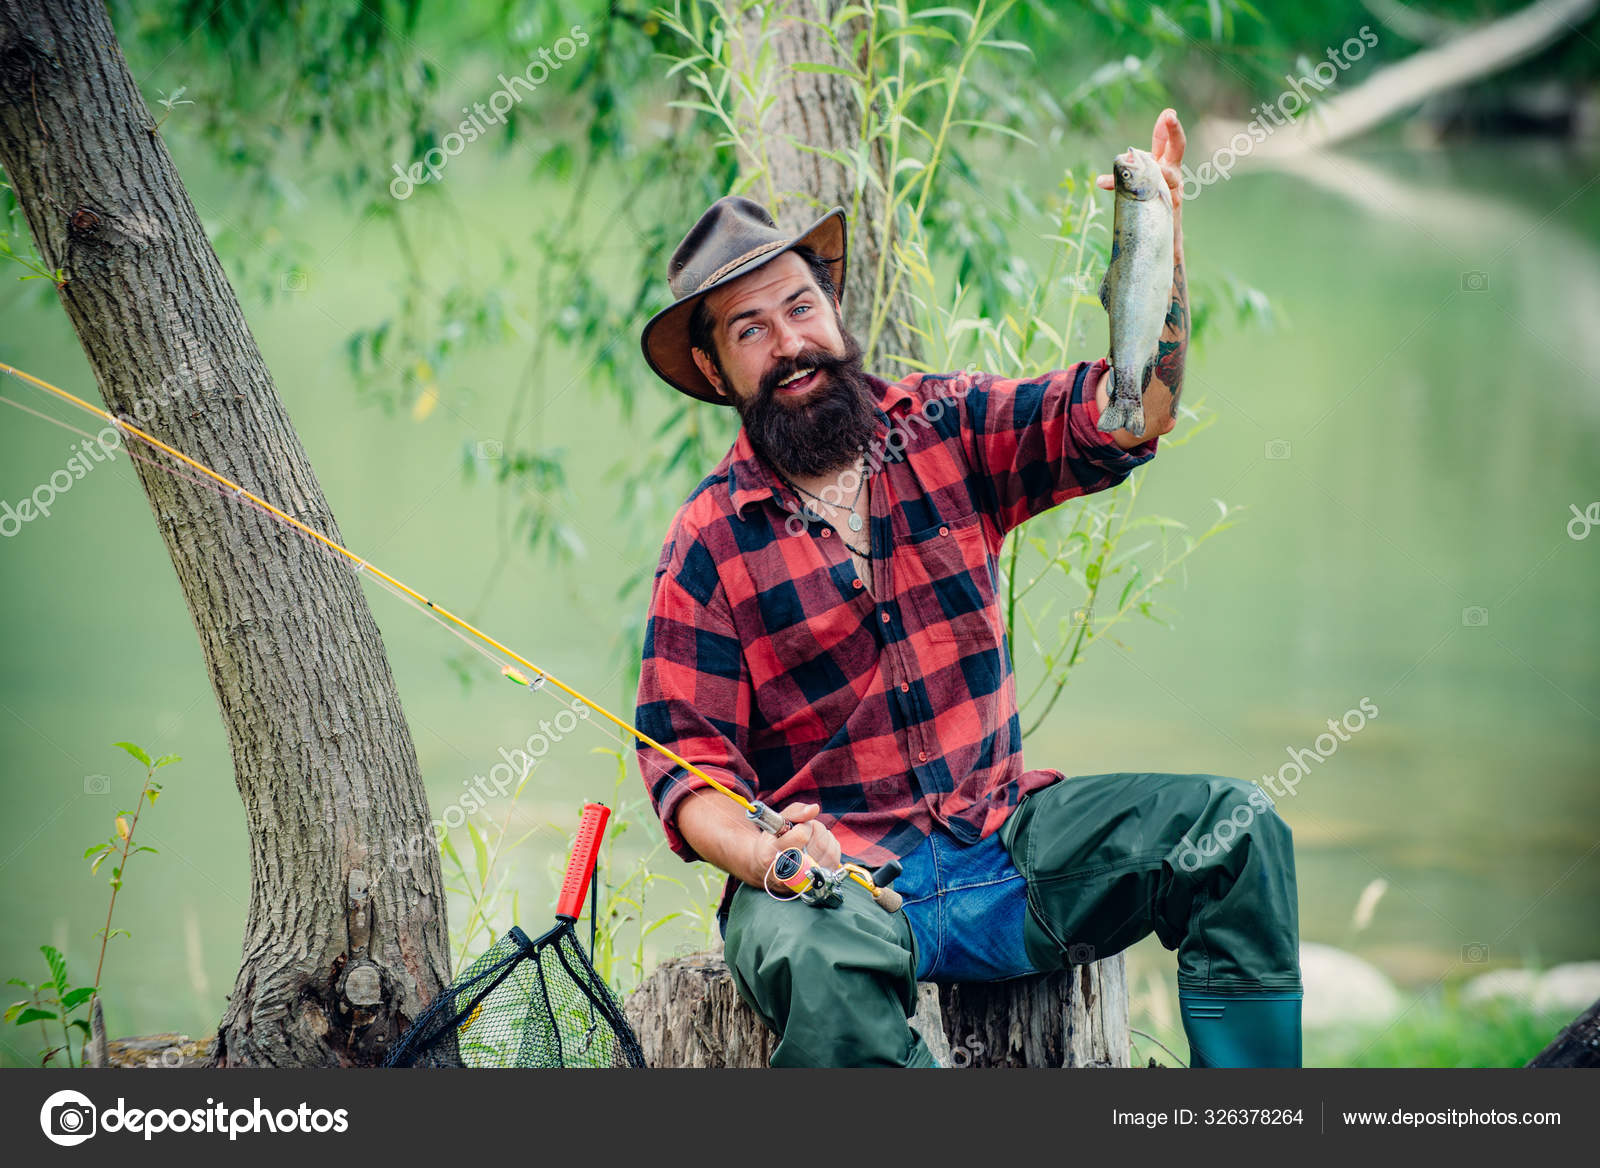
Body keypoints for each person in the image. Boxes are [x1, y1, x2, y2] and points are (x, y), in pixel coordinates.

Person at [634, 109, 1302, 1068]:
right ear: (712, 367)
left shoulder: (945, 426)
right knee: (811, 956)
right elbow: (684, 773)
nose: (789, 343)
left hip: (1007, 853)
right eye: (750, 330)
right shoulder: (707, 542)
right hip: (845, 896)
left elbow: (1127, 414)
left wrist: (1159, 243)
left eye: (801, 308)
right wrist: (772, 858)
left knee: (1233, 830)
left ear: (836, 311)